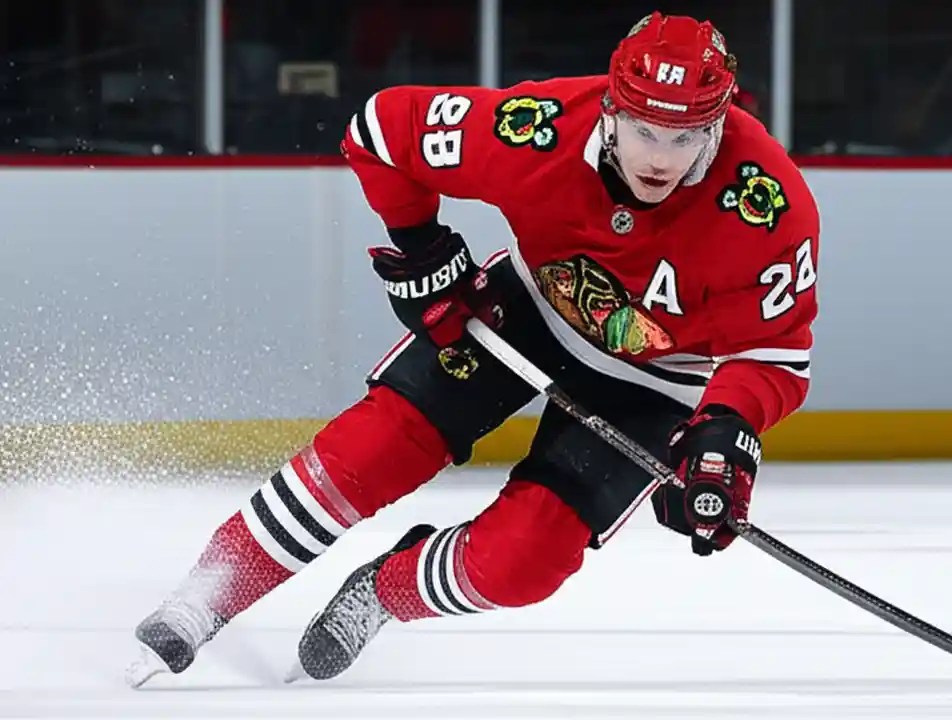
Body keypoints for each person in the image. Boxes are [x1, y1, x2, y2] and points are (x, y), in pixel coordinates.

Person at [127, 10, 820, 687]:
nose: (659, 158)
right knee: (368, 453)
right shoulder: (538, 131)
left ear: (719, 123)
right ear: (611, 107)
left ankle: (384, 591)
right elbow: (380, 131)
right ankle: (205, 596)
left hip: (658, 381)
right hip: (527, 311)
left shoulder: (768, 207)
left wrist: (725, 432)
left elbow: (777, 355)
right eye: (644, 131)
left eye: (685, 136)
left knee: (521, 563)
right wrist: (422, 245)